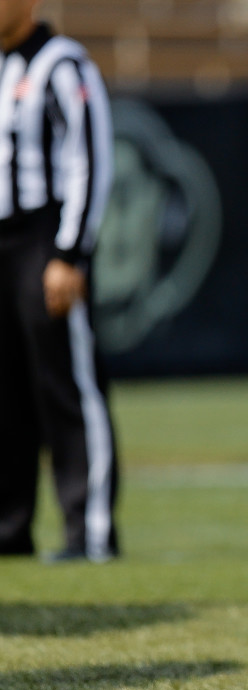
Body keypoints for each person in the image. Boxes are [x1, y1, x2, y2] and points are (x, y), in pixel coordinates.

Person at [0, 0, 119, 563]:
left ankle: (89, 531)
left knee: (65, 386)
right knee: (6, 393)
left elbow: (89, 159)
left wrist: (70, 253)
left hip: (43, 239)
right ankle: (10, 529)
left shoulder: (63, 63)